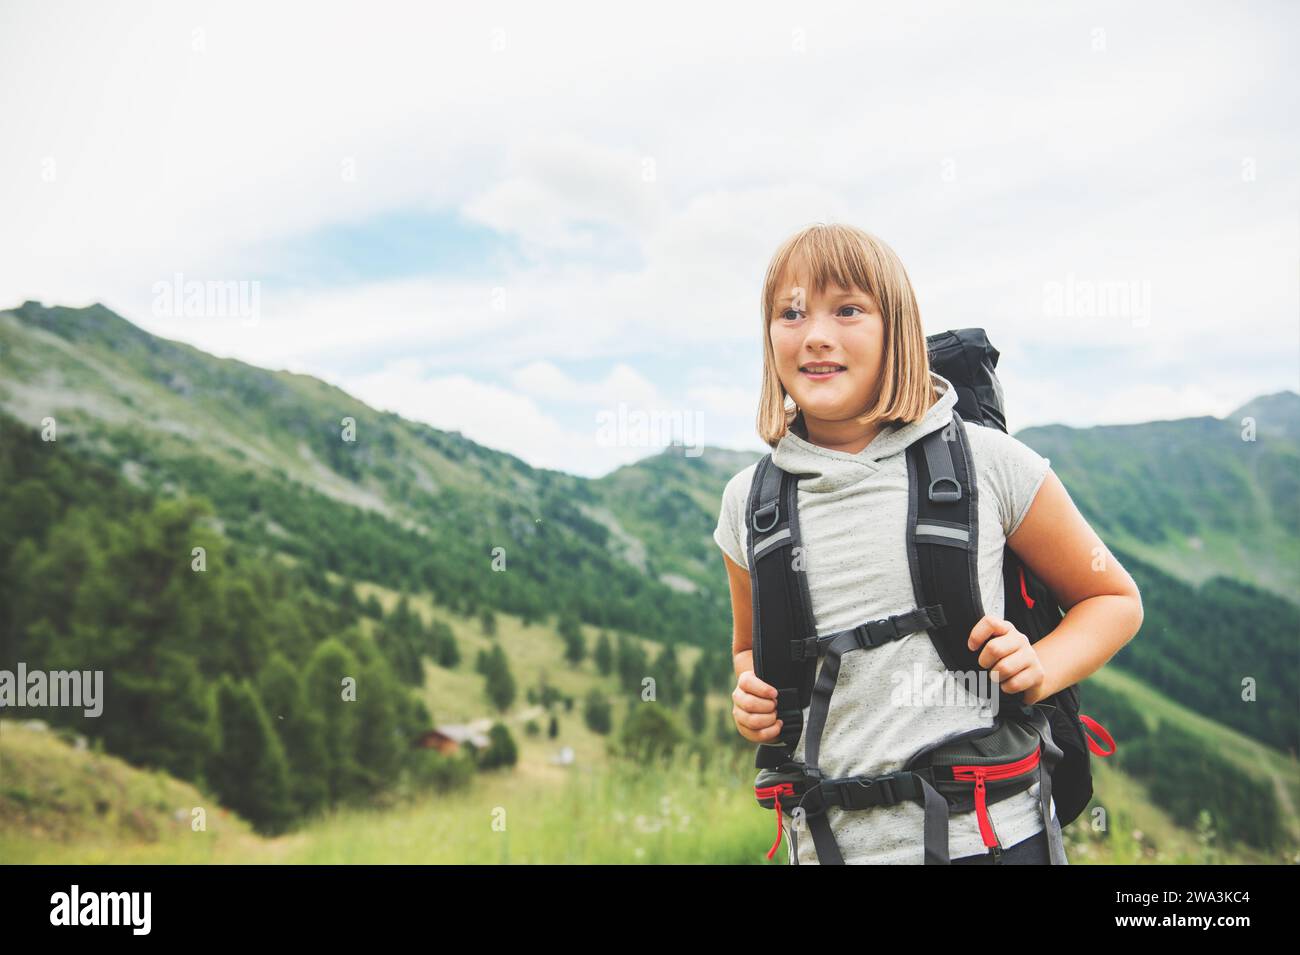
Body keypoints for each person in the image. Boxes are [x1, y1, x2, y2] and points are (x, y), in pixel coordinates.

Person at [715, 222, 1144, 864]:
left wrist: (1042, 666)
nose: (816, 335)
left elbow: (1113, 599)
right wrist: (750, 694)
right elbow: (751, 648)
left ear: (898, 331)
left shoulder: (990, 464)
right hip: (829, 847)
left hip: (993, 837)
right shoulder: (749, 504)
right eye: (790, 312)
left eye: (848, 309)